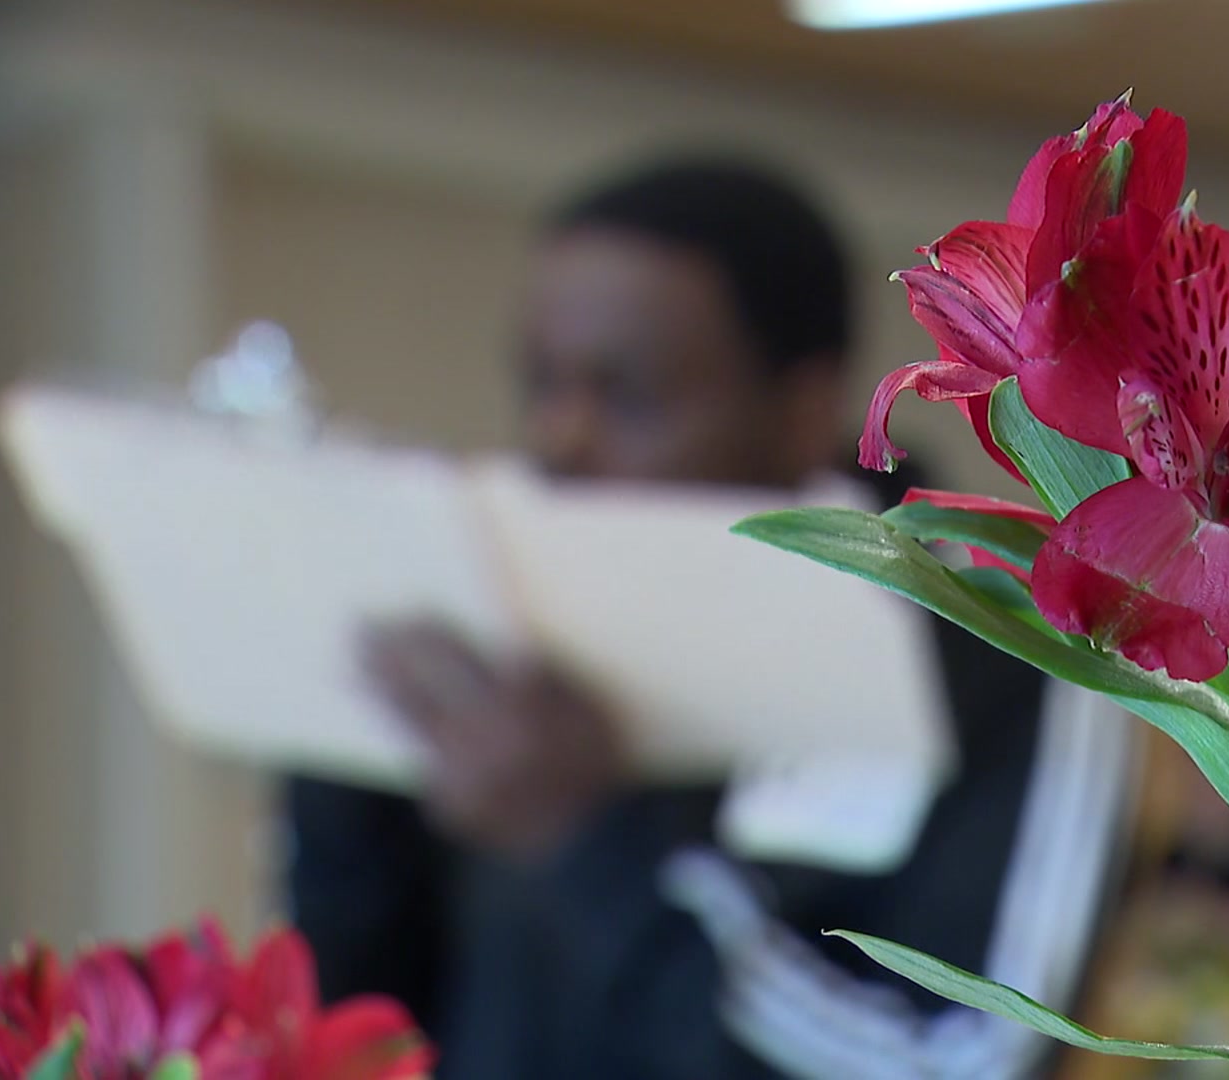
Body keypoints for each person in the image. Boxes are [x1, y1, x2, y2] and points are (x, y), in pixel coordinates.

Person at [282, 160, 1138, 1079]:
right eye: (542, 385)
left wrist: (589, 846)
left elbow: (969, 1062)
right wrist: (349, 787)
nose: (559, 439)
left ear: (805, 409)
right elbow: (368, 1030)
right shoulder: (521, 632)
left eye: (629, 394)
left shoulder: (1007, 644)